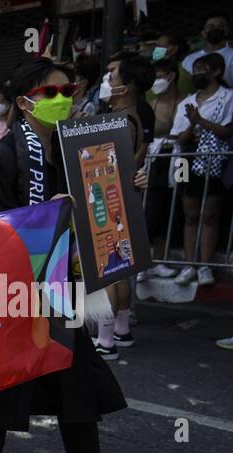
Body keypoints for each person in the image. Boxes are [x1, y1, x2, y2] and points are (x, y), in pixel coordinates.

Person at [0, 58, 141, 453]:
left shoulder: (78, 154)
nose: (64, 100)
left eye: (69, 91)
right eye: (50, 93)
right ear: (23, 103)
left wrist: (130, 188)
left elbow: (102, 208)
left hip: (61, 281)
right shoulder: (0, 160)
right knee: (0, 370)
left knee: (75, 365)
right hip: (12, 283)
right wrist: (41, 217)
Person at [94, 54, 155, 358]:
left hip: (111, 202)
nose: (108, 80)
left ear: (128, 84)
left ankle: (105, 341)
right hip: (122, 199)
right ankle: (121, 330)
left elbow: (110, 166)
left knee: (109, 270)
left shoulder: (122, 119)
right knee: (120, 270)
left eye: (113, 75)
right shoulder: (132, 115)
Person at [170, 51, 233, 287]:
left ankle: (205, 265)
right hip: (186, 159)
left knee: (209, 214)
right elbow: (178, 137)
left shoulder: (228, 97)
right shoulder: (186, 101)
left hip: (213, 160)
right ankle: (189, 265)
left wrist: (199, 122)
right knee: (190, 213)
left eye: (202, 70)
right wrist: (193, 126)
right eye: (195, 70)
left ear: (216, 71)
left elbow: (226, 131)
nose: (197, 74)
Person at [143, 56, 185, 279]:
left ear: (171, 76)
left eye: (160, 76)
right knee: (152, 207)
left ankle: (160, 258)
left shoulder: (186, 102)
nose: (157, 81)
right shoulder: (152, 104)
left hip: (181, 159)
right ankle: (145, 260)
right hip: (156, 160)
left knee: (174, 205)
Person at [181, 14, 233, 88]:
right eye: (210, 27)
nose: (215, 29)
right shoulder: (189, 59)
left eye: (220, 26)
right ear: (203, 33)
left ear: (226, 31)